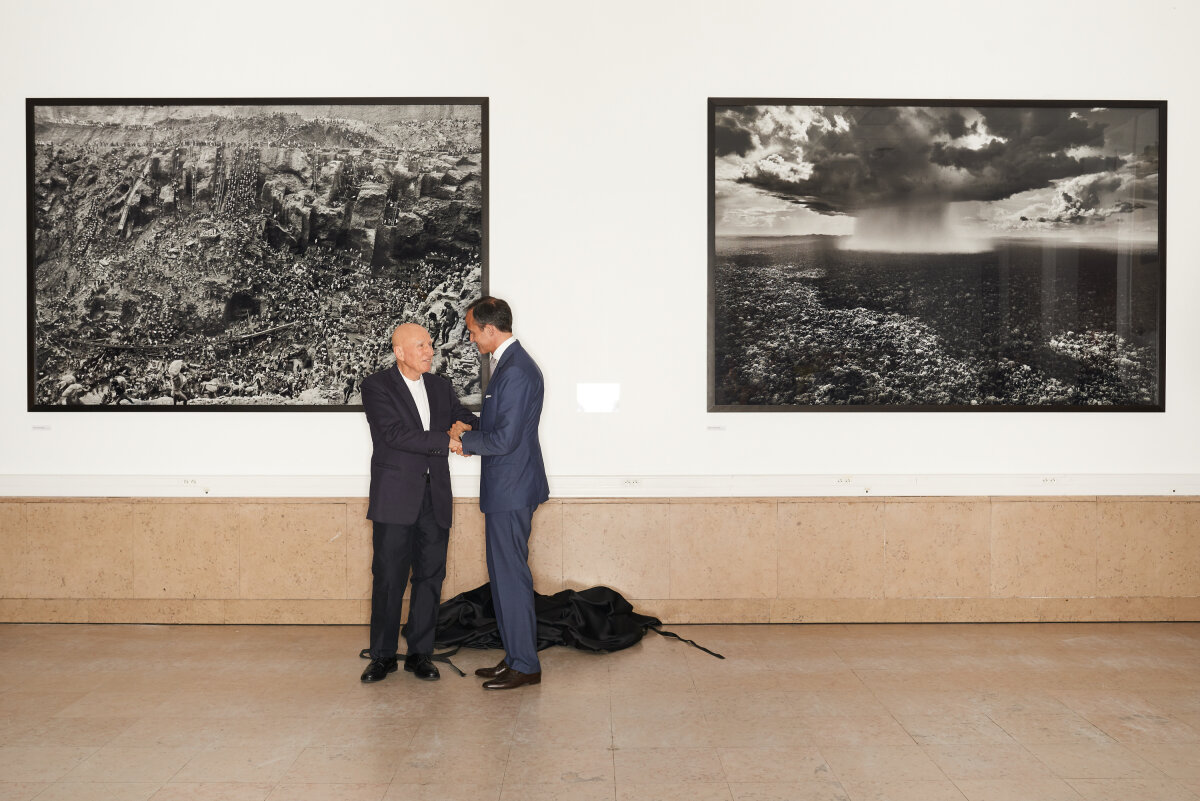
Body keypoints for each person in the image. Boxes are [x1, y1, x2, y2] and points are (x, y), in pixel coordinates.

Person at [359, 323, 478, 684]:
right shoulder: (376, 385)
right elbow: (394, 434)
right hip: (395, 498)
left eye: (430, 344)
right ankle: (381, 656)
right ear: (399, 352)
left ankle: (420, 654)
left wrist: (465, 430)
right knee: (389, 578)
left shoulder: (440, 387)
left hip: (435, 497)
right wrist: (447, 439)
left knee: (430, 578)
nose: (430, 351)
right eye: (422, 345)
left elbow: (464, 417)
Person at [455, 297, 550, 690]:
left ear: (491, 329)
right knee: (504, 575)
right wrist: (471, 427)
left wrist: (466, 443)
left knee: (510, 577)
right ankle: (515, 657)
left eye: (474, 331)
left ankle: (525, 664)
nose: (472, 338)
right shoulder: (511, 366)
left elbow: (506, 439)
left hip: (511, 489)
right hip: (509, 487)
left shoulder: (515, 370)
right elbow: (503, 425)